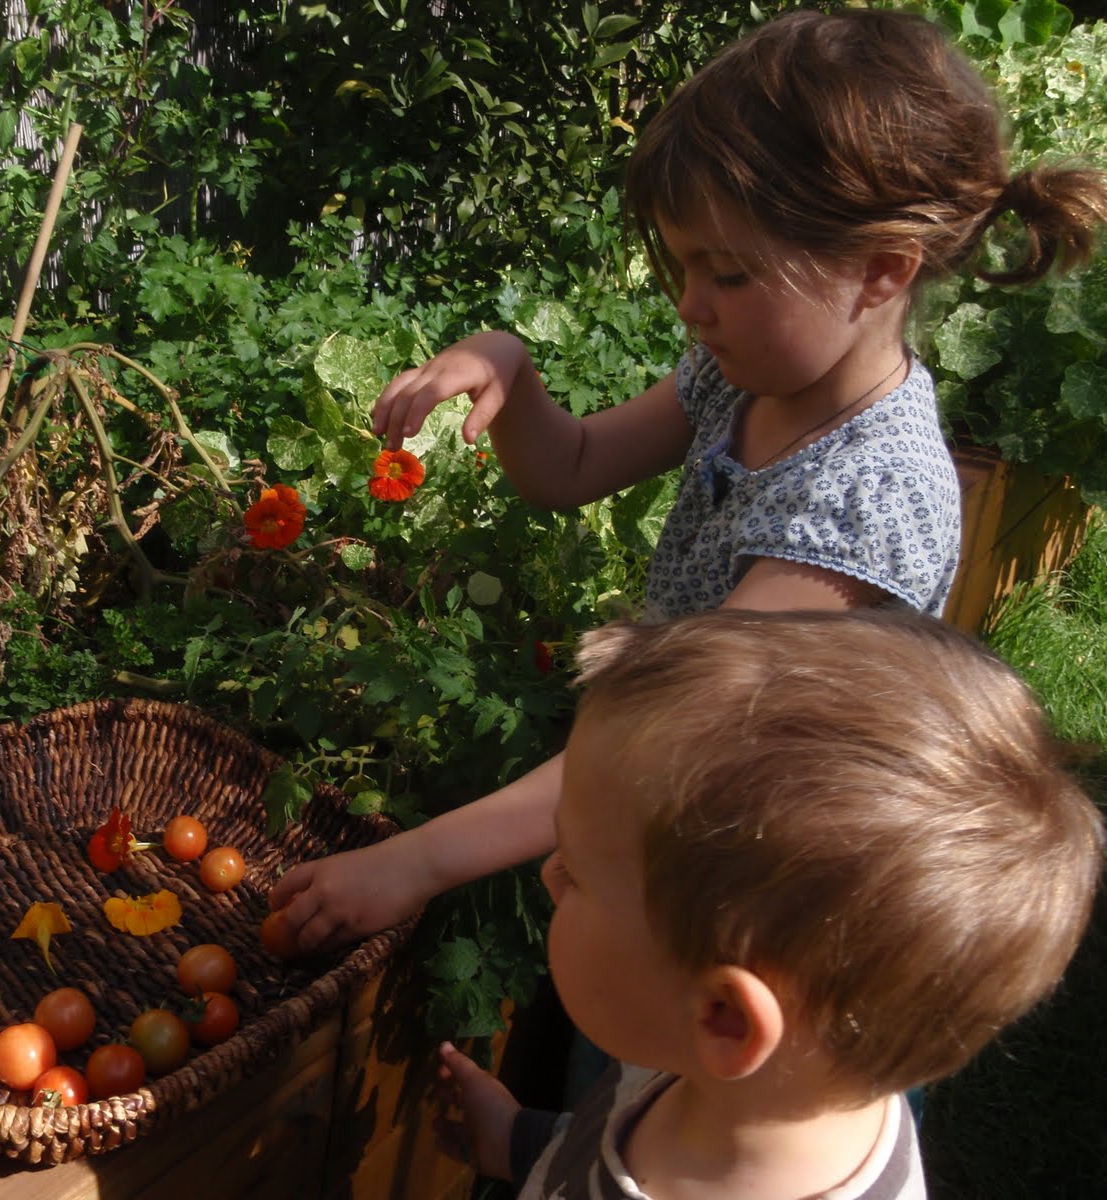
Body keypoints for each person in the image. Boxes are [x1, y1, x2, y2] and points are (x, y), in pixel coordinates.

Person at [268, 6, 1107, 955]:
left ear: (880, 273)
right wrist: (510, 366)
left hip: (761, 896)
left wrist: (411, 862)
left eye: (729, 274)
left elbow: (670, 736)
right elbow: (573, 468)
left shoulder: (865, 498)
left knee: (692, 1080)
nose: (689, 303)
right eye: (682, 264)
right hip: (661, 820)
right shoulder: (741, 375)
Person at [430, 608, 1103, 1198]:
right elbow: (630, 1132)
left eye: (576, 874)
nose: (548, 876)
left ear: (725, 1018)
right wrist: (523, 1142)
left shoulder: (712, 1069)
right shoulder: (757, 1084)